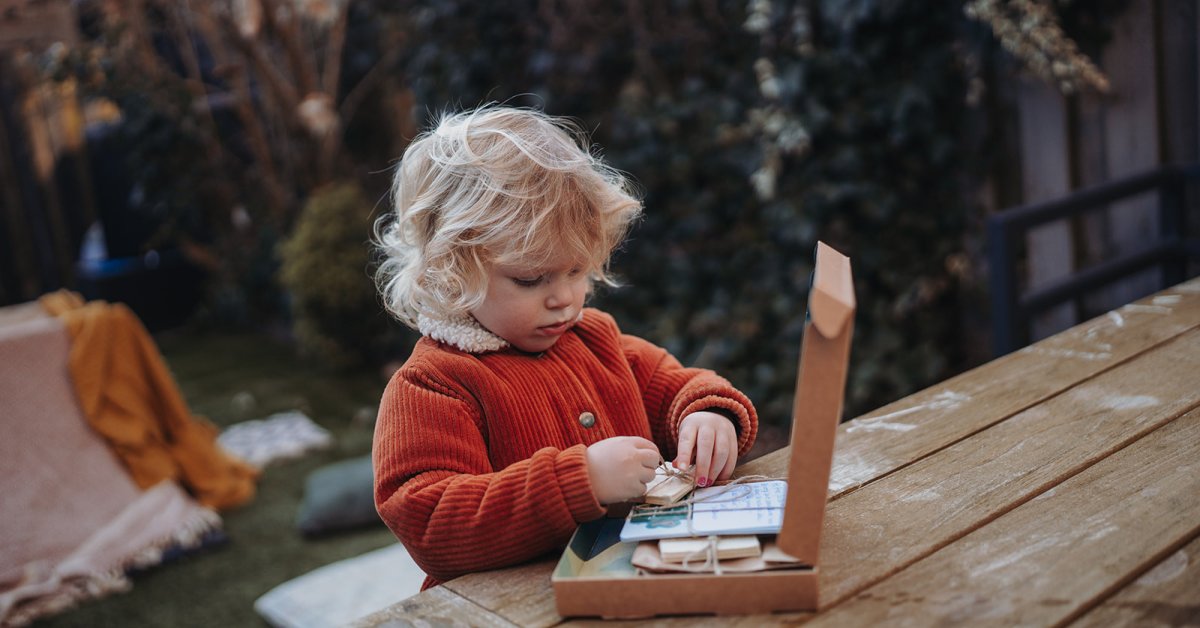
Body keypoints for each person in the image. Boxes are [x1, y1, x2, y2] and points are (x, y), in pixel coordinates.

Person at [371, 105, 758, 589]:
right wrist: (581, 481)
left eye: (577, 270)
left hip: (638, 583)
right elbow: (428, 521)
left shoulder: (595, 339)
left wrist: (709, 415)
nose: (563, 298)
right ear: (451, 271)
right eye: (531, 279)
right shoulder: (432, 385)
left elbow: (679, 386)